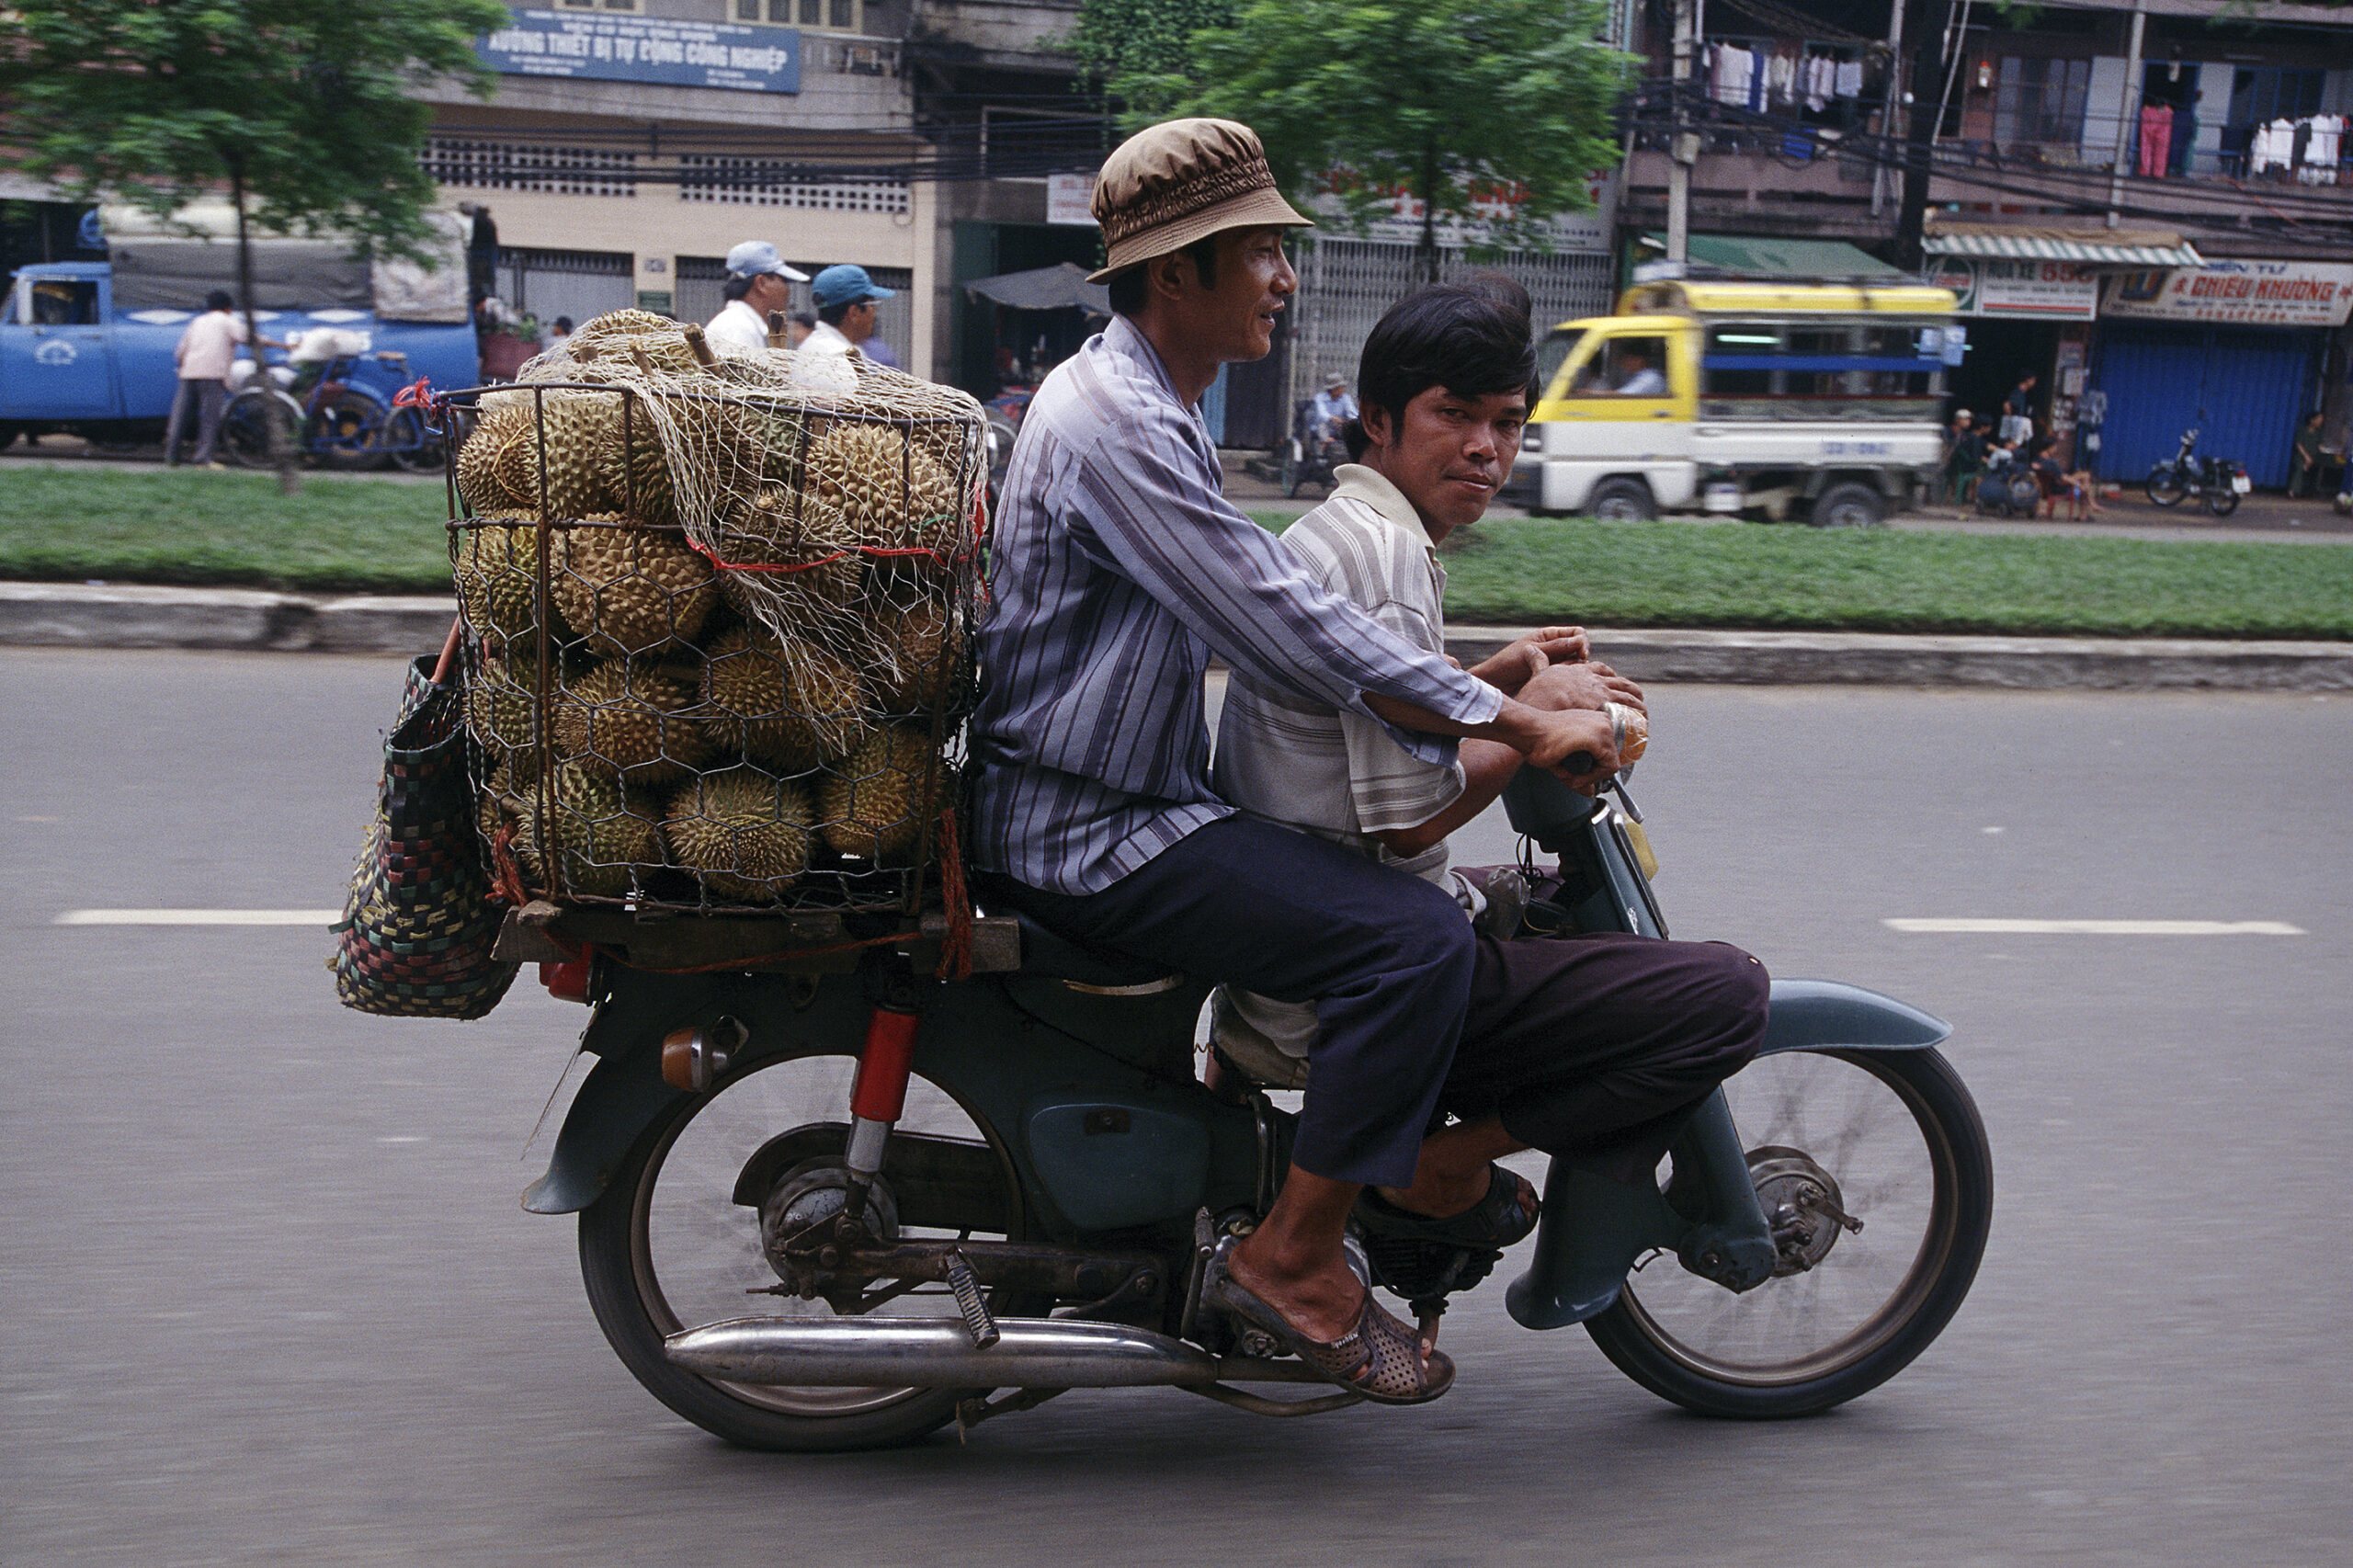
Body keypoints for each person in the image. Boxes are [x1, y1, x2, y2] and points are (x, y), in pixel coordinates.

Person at [968, 117, 1620, 1407]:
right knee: (1409, 940)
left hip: (1123, 799)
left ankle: (1248, 1176)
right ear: (1178, 274)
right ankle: (1294, 1258)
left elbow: (1268, 624)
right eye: (1262, 251)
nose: (1285, 278)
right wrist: (1520, 726)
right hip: (1090, 829)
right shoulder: (1119, 423)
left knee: (1363, 894)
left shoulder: (1151, 402)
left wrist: (1473, 685)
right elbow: (1280, 617)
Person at [1211, 285, 1768, 1283]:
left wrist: (1505, 673)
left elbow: (1381, 708)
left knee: (1539, 913)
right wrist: (1539, 725)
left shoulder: (1343, 529)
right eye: (1453, 415)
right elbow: (1407, 824)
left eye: (1505, 423)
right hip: (1361, 971)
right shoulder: (1386, 557)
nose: (1485, 448)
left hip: (1305, 928)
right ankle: (1442, 1162)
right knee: (1725, 994)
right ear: (1378, 419)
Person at [164, 290, 249, 469]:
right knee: (209, 419)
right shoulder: (228, 321)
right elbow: (247, 337)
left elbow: (180, 351)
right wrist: (281, 345)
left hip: (189, 373)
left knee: (179, 417)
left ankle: (171, 458)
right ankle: (202, 460)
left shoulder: (197, 321)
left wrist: (182, 368)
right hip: (212, 375)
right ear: (228, 308)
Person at [705, 241, 808, 354]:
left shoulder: (740, 323)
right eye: (784, 280)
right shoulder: (738, 329)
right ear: (761, 283)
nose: (787, 289)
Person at [804, 264, 896, 360]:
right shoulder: (840, 357)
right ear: (854, 312)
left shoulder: (810, 346)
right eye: (872, 305)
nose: (874, 314)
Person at [1944, 409, 1984, 512]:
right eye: (1966, 419)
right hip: (1949, 465)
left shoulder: (1965, 435)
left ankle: (1964, 497)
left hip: (1956, 465)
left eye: (1969, 420)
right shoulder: (1947, 432)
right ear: (1958, 420)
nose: (1968, 422)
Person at [1309, 373, 1358, 444]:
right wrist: (1332, 418)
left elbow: (1351, 412)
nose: (1343, 389)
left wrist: (1353, 421)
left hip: (1338, 426)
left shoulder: (1346, 398)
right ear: (1333, 389)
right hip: (1322, 427)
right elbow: (1322, 413)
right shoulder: (1320, 397)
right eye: (1341, 387)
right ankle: (1325, 442)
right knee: (1322, 424)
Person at [2291, 411, 2326, 498]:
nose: (2320, 422)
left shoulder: (2319, 432)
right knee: (2300, 467)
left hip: (2314, 456)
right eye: (2318, 419)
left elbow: (2320, 445)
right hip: (2302, 456)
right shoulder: (2302, 431)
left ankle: (2311, 491)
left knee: (2319, 468)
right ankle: (2293, 491)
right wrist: (2307, 458)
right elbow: (2299, 444)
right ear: (2312, 420)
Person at [2001, 372, 2038, 446]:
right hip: (2014, 425)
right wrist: (2011, 422)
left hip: (2018, 425)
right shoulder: (2017, 392)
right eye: (2033, 380)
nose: (2034, 383)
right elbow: (2006, 405)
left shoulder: (2024, 394)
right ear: (2027, 380)